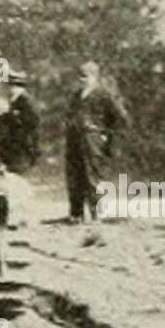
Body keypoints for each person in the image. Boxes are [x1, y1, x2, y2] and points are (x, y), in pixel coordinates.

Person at [64, 61, 126, 222]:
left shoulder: (103, 94)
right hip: (75, 140)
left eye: (85, 76)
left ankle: (96, 213)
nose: (82, 80)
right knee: (74, 175)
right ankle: (76, 214)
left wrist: (106, 136)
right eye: (80, 76)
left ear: (95, 76)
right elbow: (70, 115)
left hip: (92, 140)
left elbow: (120, 117)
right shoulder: (76, 95)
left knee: (92, 177)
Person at [0, 69, 40, 173]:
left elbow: (31, 121)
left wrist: (8, 117)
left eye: (13, 86)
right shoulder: (15, 99)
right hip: (14, 142)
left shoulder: (25, 101)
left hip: (21, 142)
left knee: (17, 168)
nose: (11, 89)